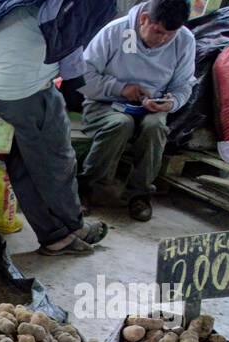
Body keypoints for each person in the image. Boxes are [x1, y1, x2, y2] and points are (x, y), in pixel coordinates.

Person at [0, 0, 115, 256]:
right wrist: (75, 84)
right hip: (28, 89)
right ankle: (75, 226)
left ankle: (54, 236)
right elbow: (68, 42)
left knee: (21, 163)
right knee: (57, 163)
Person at [80, 0, 195, 221]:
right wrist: (121, 89)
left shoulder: (184, 40)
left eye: (169, 35)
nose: (162, 40)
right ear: (143, 19)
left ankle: (139, 194)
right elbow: (83, 77)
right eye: (158, 31)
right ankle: (86, 187)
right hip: (104, 103)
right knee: (120, 123)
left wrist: (171, 102)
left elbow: (184, 85)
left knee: (156, 126)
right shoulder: (116, 31)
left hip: (151, 105)